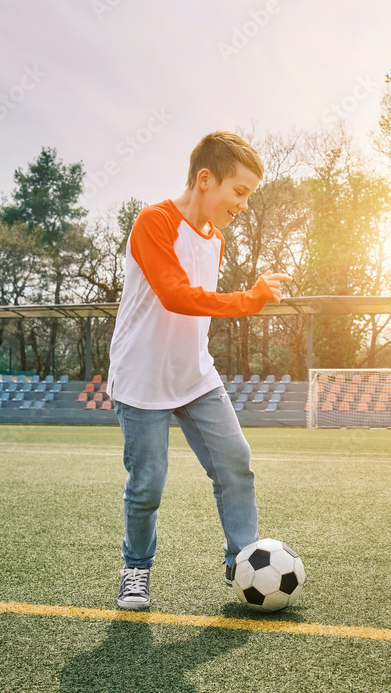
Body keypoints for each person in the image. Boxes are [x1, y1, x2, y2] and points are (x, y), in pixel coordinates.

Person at [107, 131, 291, 610]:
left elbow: (197, 307)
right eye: (240, 192)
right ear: (205, 179)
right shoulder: (154, 222)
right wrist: (249, 299)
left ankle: (242, 561)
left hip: (195, 376)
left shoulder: (217, 240)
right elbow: (176, 295)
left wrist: (244, 299)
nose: (244, 205)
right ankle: (136, 570)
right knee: (147, 487)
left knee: (236, 464)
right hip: (142, 379)